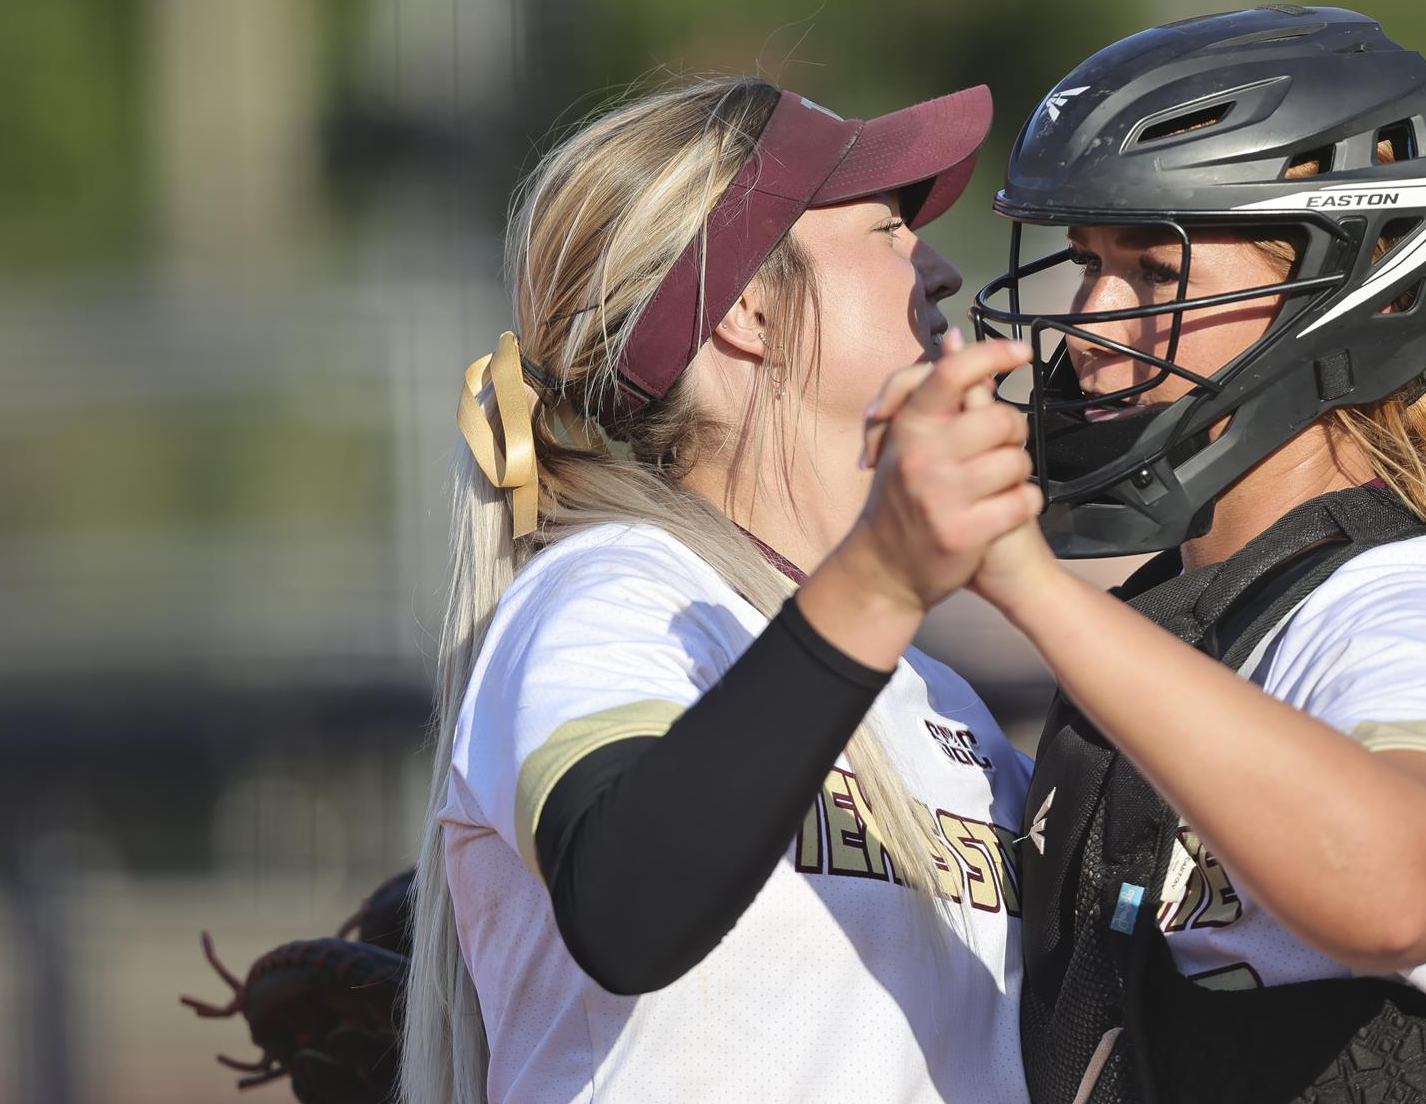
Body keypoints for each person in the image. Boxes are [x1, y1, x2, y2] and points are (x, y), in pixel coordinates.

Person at [900, 4, 1426, 1104]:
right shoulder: (1186, 617)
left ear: (1334, 285)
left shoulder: (1411, 603)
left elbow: (1404, 888)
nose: (1088, 328)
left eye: (1150, 272)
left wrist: (1027, 584)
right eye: (1087, 264)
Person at [401, 76, 1049, 1104]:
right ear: (748, 306)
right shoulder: (607, 593)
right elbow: (627, 907)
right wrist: (879, 577)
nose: (938, 264)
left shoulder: (941, 697)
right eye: (886, 228)